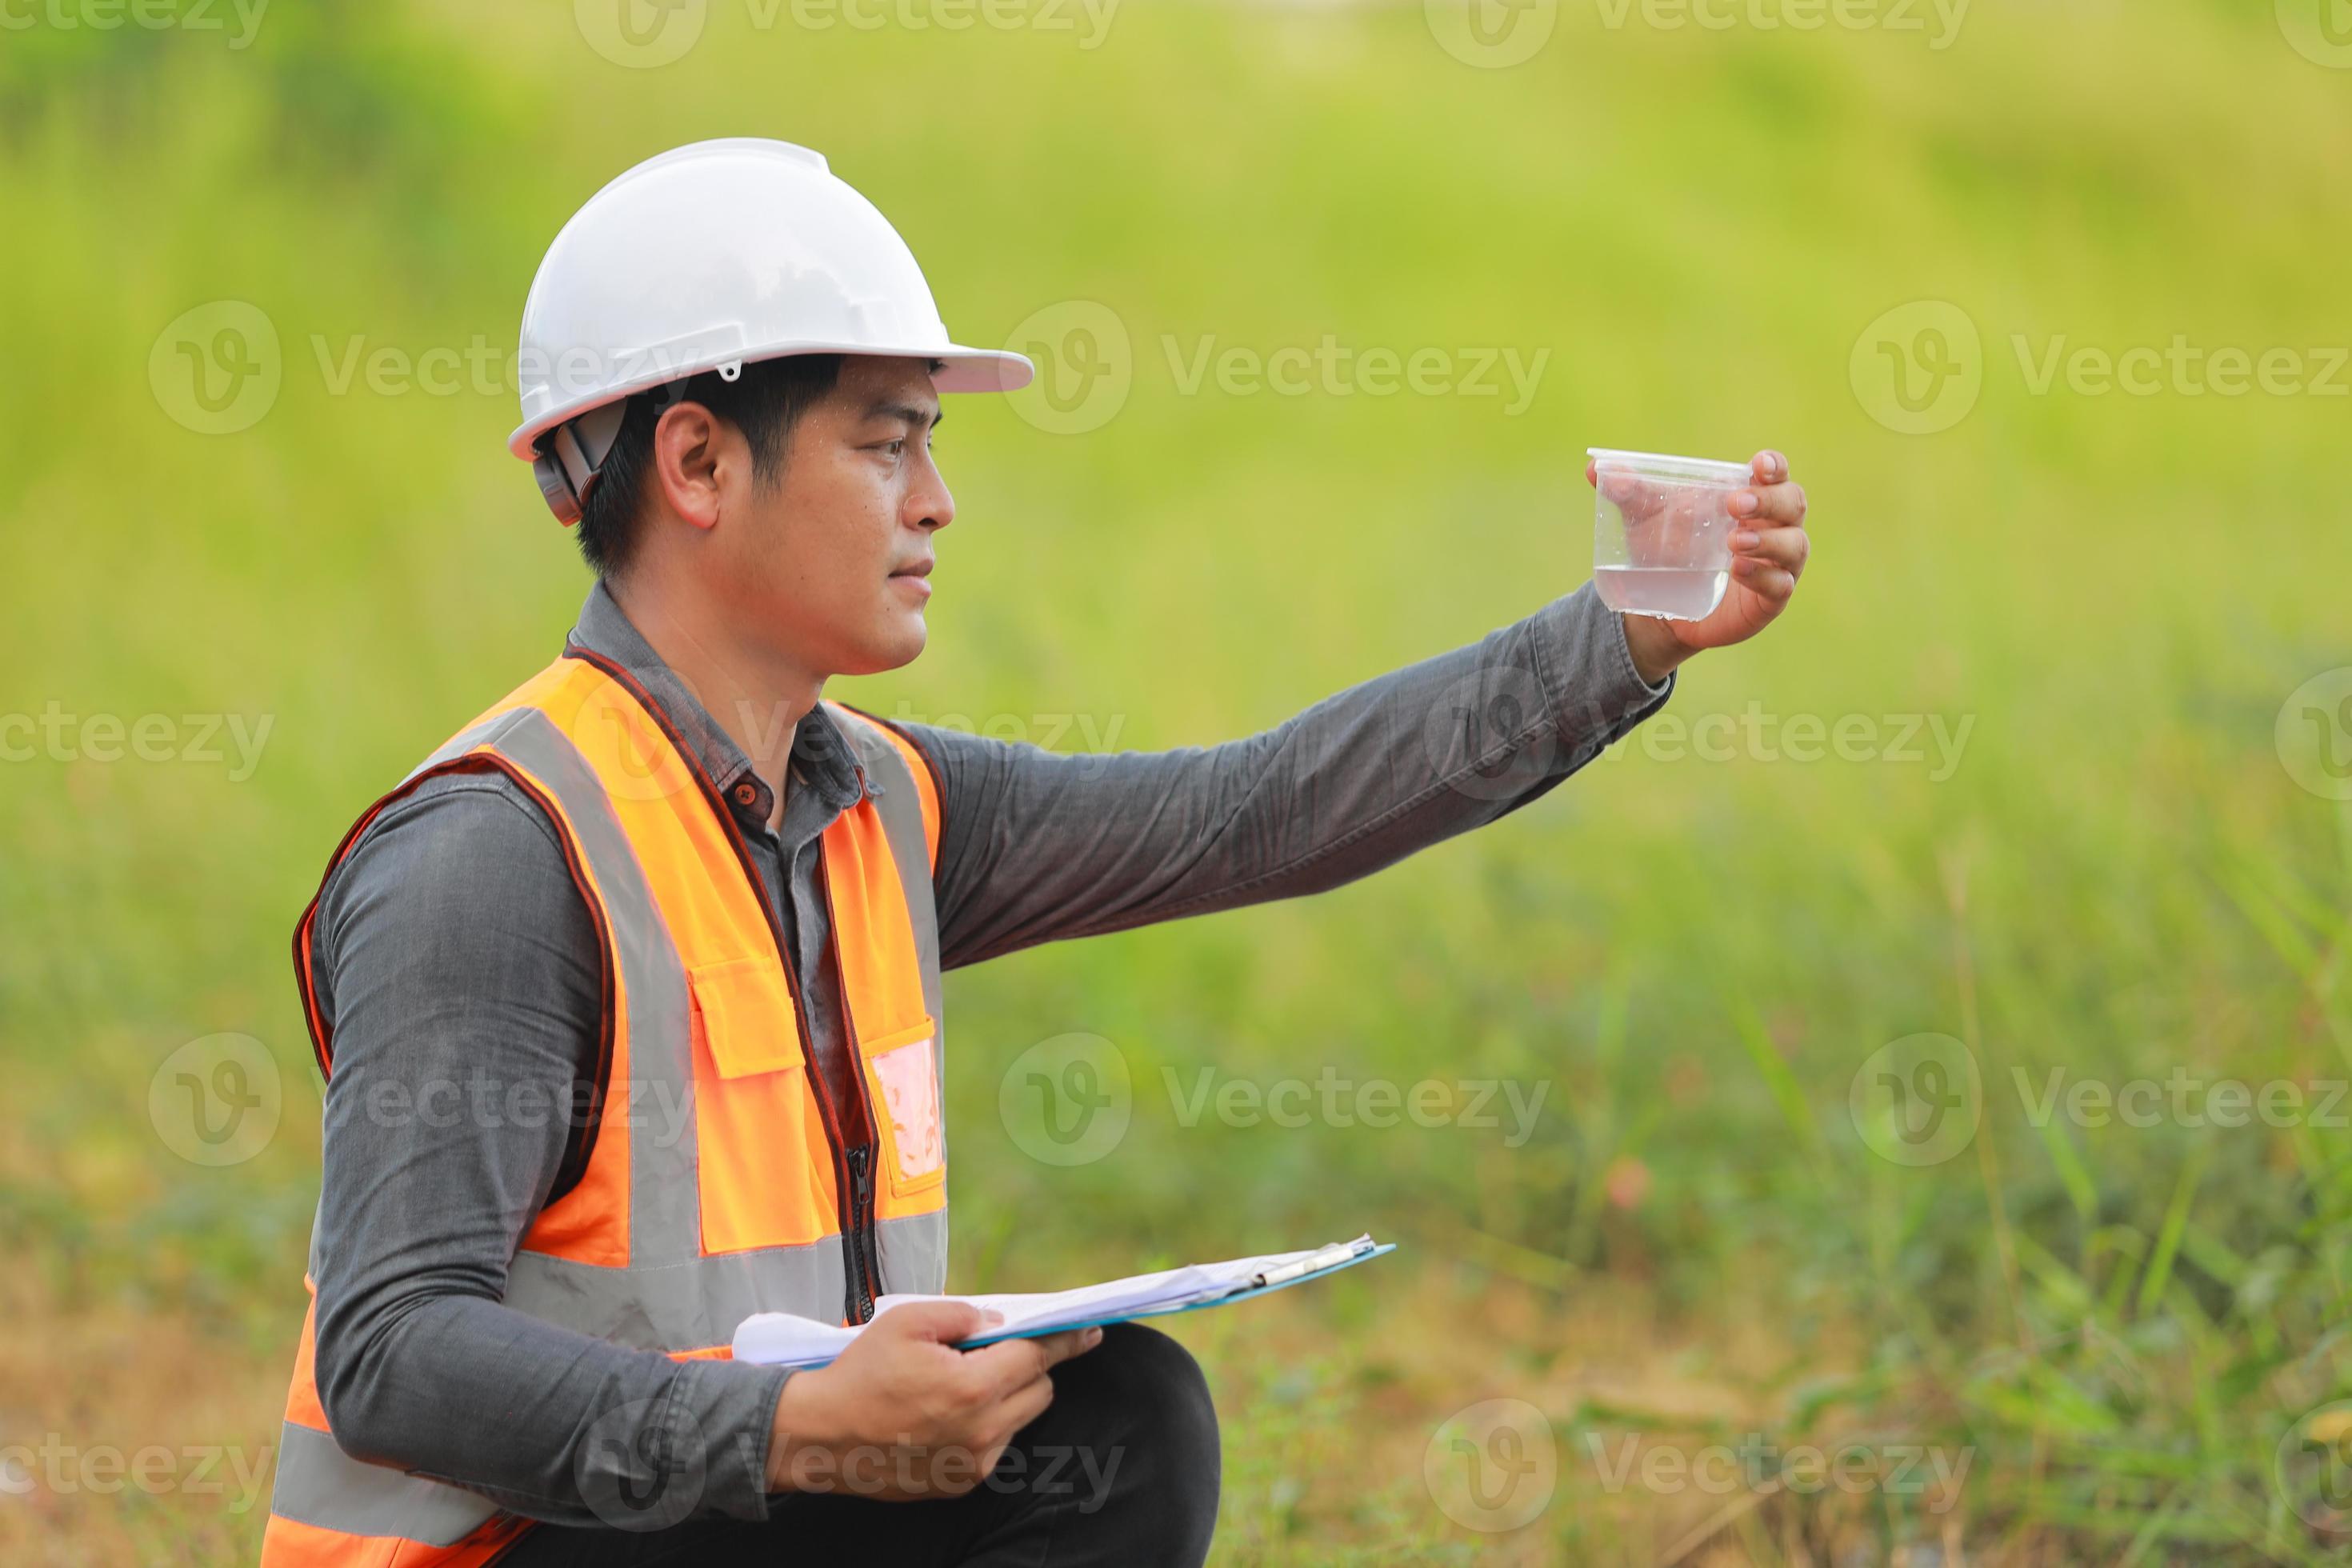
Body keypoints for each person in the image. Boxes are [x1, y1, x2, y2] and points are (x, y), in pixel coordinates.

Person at [257, 139, 1812, 1567]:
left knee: (1117, 1424)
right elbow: (392, 1349)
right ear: (698, 464)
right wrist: (793, 1428)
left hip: (717, 1506)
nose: (939, 504)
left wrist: (1624, 637)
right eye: (888, 447)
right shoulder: (496, 854)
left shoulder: (881, 802)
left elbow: (1255, 812)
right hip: (524, 1547)